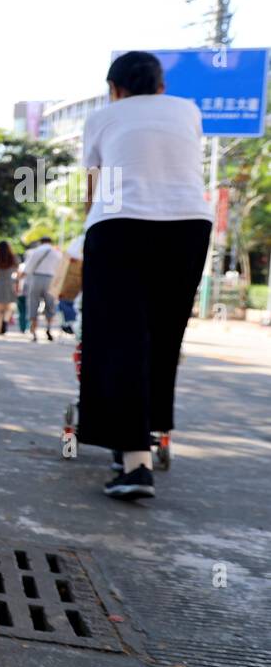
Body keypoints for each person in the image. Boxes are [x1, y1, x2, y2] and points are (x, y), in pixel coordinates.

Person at [78, 50, 212, 500]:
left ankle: (135, 462)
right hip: (190, 226)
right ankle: (139, 436)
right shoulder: (188, 111)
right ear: (161, 87)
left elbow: (97, 185)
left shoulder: (105, 115)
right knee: (162, 336)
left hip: (120, 226)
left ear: (114, 89)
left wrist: (88, 233)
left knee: (119, 338)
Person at [22, 235, 61, 341]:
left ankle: (33, 331)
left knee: (33, 303)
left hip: (36, 278)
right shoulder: (56, 253)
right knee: (50, 305)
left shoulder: (36, 251)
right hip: (51, 280)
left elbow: (28, 267)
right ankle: (49, 329)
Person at [0, 240, 18, 335]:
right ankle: (5, 320)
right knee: (9, 307)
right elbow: (17, 273)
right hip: (10, 284)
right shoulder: (14, 259)